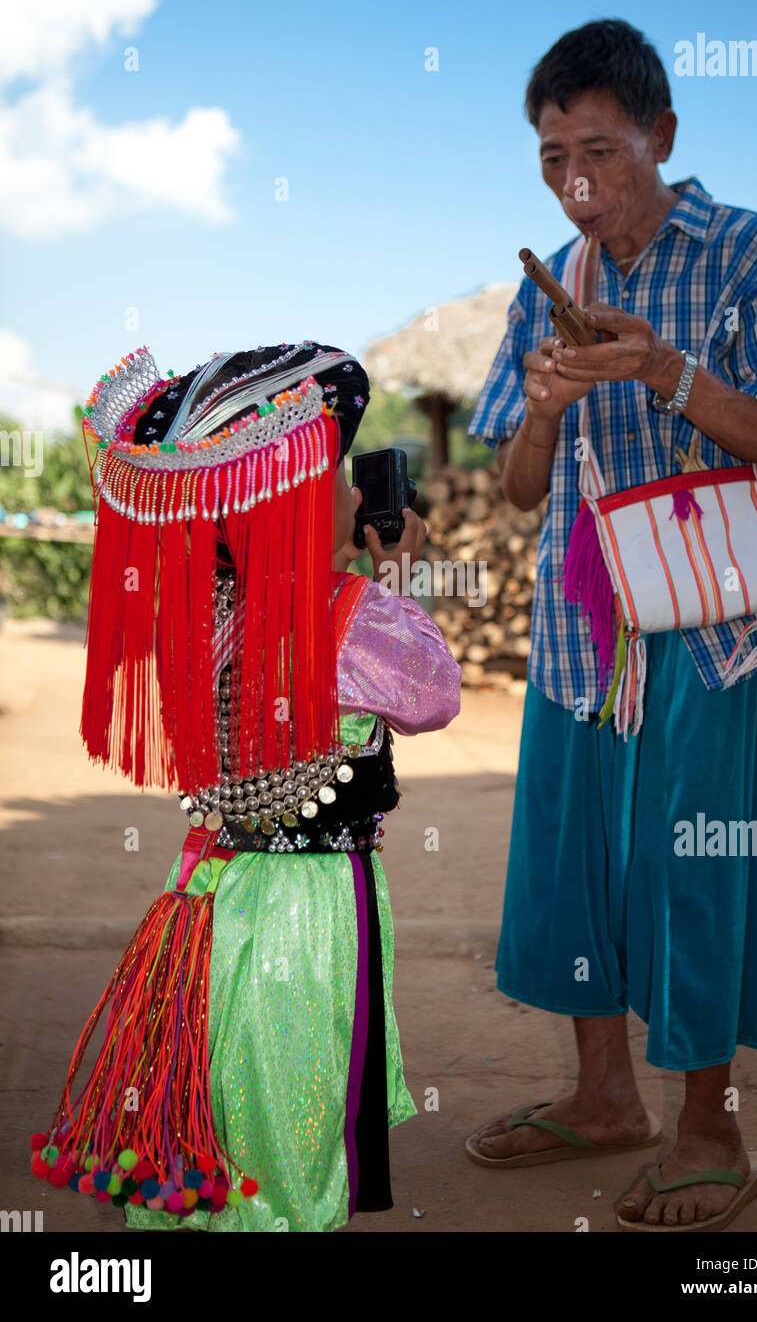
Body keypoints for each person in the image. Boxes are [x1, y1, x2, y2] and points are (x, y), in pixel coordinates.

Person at [465, 20, 757, 1231]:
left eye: (603, 152)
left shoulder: (745, 253)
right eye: (553, 157)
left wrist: (663, 372)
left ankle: (710, 1126)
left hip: (710, 621)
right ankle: (604, 1097)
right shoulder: (551, 284)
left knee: (694, 863)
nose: (578, 183)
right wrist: (548, 410)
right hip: (580, 627)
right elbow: (518, 489)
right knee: (568, 862)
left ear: (661, 135)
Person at [30, 341, 461, 1232]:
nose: (353, 490)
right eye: (339, 473)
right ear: (297, 503)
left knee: (214, 1086)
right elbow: (433, 697)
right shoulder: (353, 622)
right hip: (307, 907)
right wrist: (392, 583)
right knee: (286, 1099)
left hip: (207, 892)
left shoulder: (194, 614)